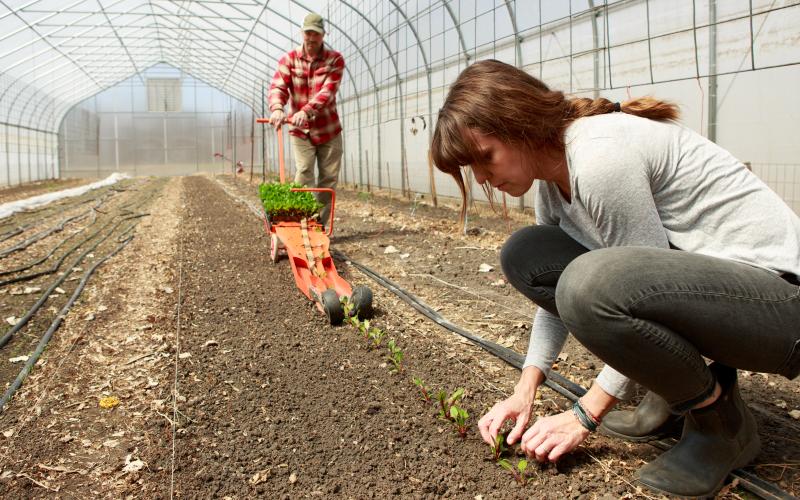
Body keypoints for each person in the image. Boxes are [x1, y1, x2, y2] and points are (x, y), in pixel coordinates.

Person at [431, 59, 800, 497]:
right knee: (527, 253)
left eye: (485, 158)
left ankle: (720, 423)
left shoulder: (599, 158)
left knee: (593, 282)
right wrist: (525, 387)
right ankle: (671, 395)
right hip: (720, 298)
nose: (482, 177)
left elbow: (632, 284)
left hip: (780, 307)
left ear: (518, 124)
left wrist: (584, 414)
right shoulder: (552, 179)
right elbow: (563, 299)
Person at [269, 12, 345, 227]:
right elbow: (278, 86)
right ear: (301, 33)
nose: (311, 38)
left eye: (316, 34)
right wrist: (277, 108)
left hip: (329, 130)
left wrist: (306, 110)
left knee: (328, 180)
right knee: (303, 172)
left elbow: (328, 92)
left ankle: (318, 227)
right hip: (300, 131)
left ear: (323, 35)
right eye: (308, 33)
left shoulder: (335, 59)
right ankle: (297, 222)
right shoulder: (289, 60)